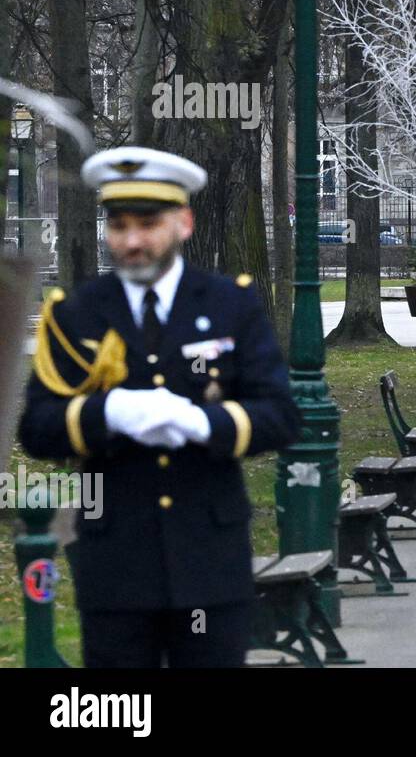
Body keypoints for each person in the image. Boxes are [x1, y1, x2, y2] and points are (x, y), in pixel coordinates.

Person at [19, 147, 300, 667]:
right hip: (114, 564)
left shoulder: (227, 304)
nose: (131, 241)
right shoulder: (78, 313)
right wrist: (108, 414)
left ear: (184, 222)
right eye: (119, 224)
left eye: (148, 224)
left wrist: (201, 422)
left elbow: (280, 414)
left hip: (210, 558)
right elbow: (36, 428)